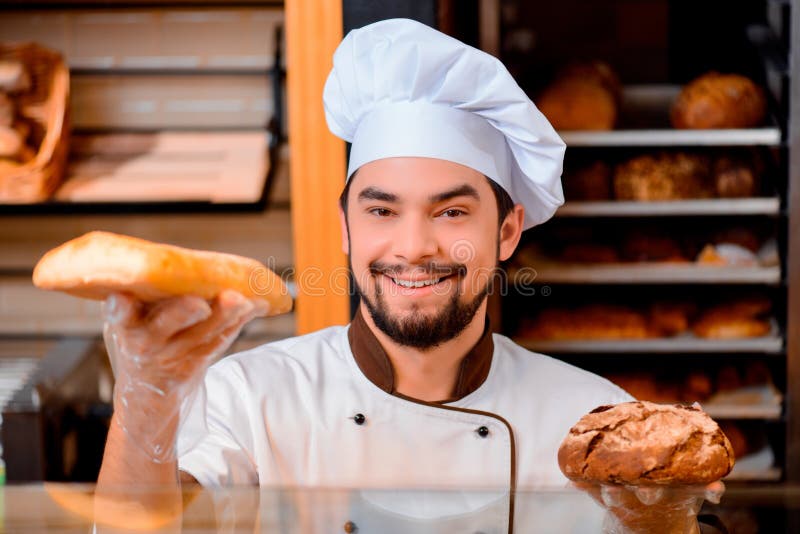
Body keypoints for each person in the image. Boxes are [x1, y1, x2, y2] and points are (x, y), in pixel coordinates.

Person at [96, 18, 633, 530]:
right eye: (382, 211)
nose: (414, 248)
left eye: (451, 212)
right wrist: (144, 400)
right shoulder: (248, 398)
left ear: (507, 231)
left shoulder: (590, 419)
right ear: (346, 228)